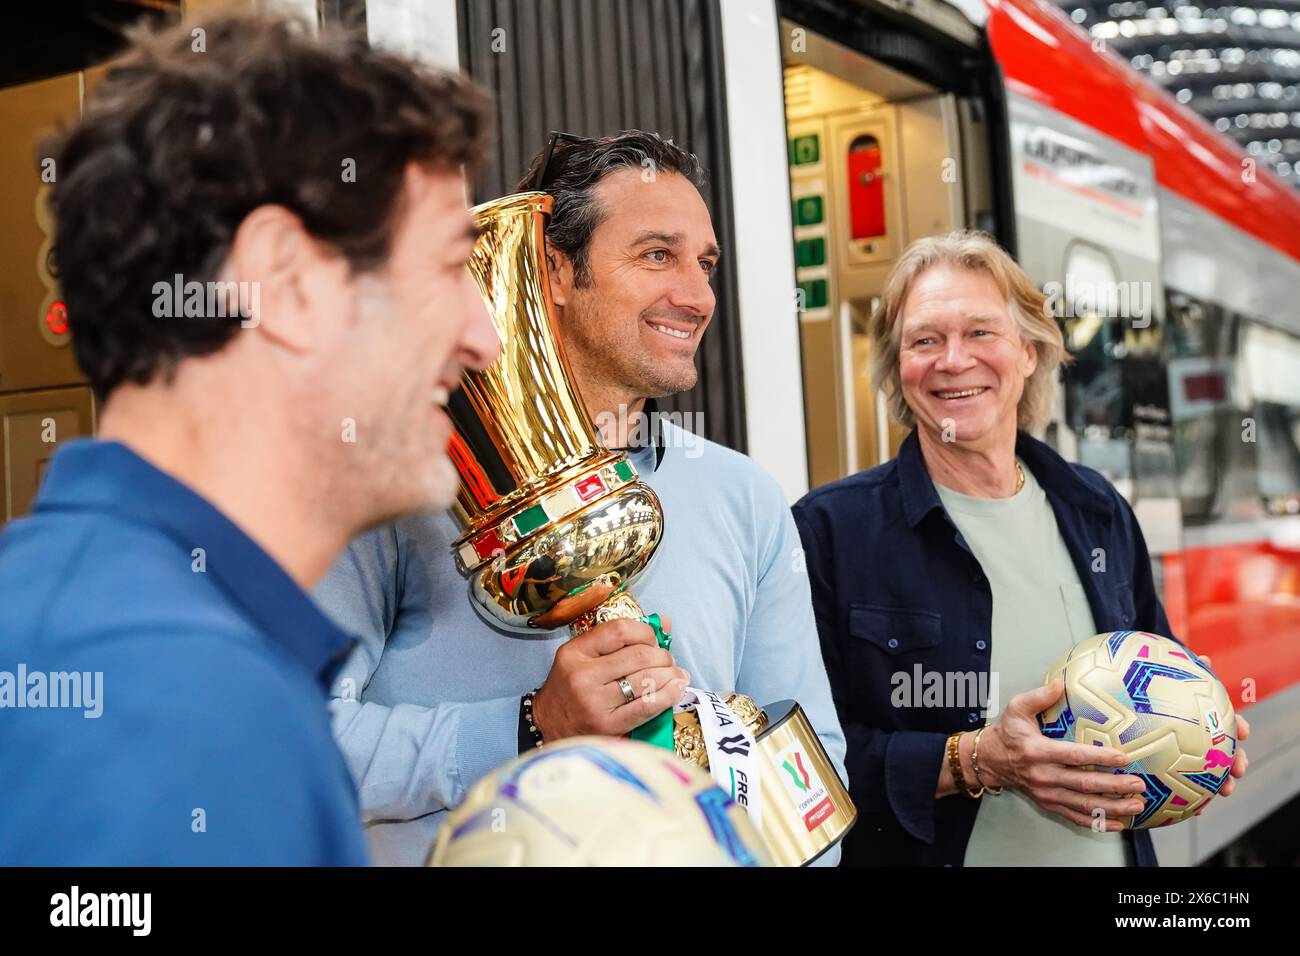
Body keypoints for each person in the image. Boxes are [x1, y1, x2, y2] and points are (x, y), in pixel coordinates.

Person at [0, 12, 497, 864]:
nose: (484, 338)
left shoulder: (98, 629)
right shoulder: (177, 702)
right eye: (452, 266)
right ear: (287, 282)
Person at [316, 130, 847, 865]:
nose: (696, 296)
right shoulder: (394, 489)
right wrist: (529, 727)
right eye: (657, 254)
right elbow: (292, 745)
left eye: (705, 264)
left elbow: (812, 768)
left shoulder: (745, 495)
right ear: (555, 270)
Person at [792, 230, 1249, 866]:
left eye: (981, 332)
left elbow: (1159, 662)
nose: (954, 360)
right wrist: (972, 761)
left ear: (1030, 352)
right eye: (925, 340)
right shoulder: (829, 532)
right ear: (899, 366)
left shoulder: (1096, 510)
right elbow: (798, 764)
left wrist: (1201, 735)